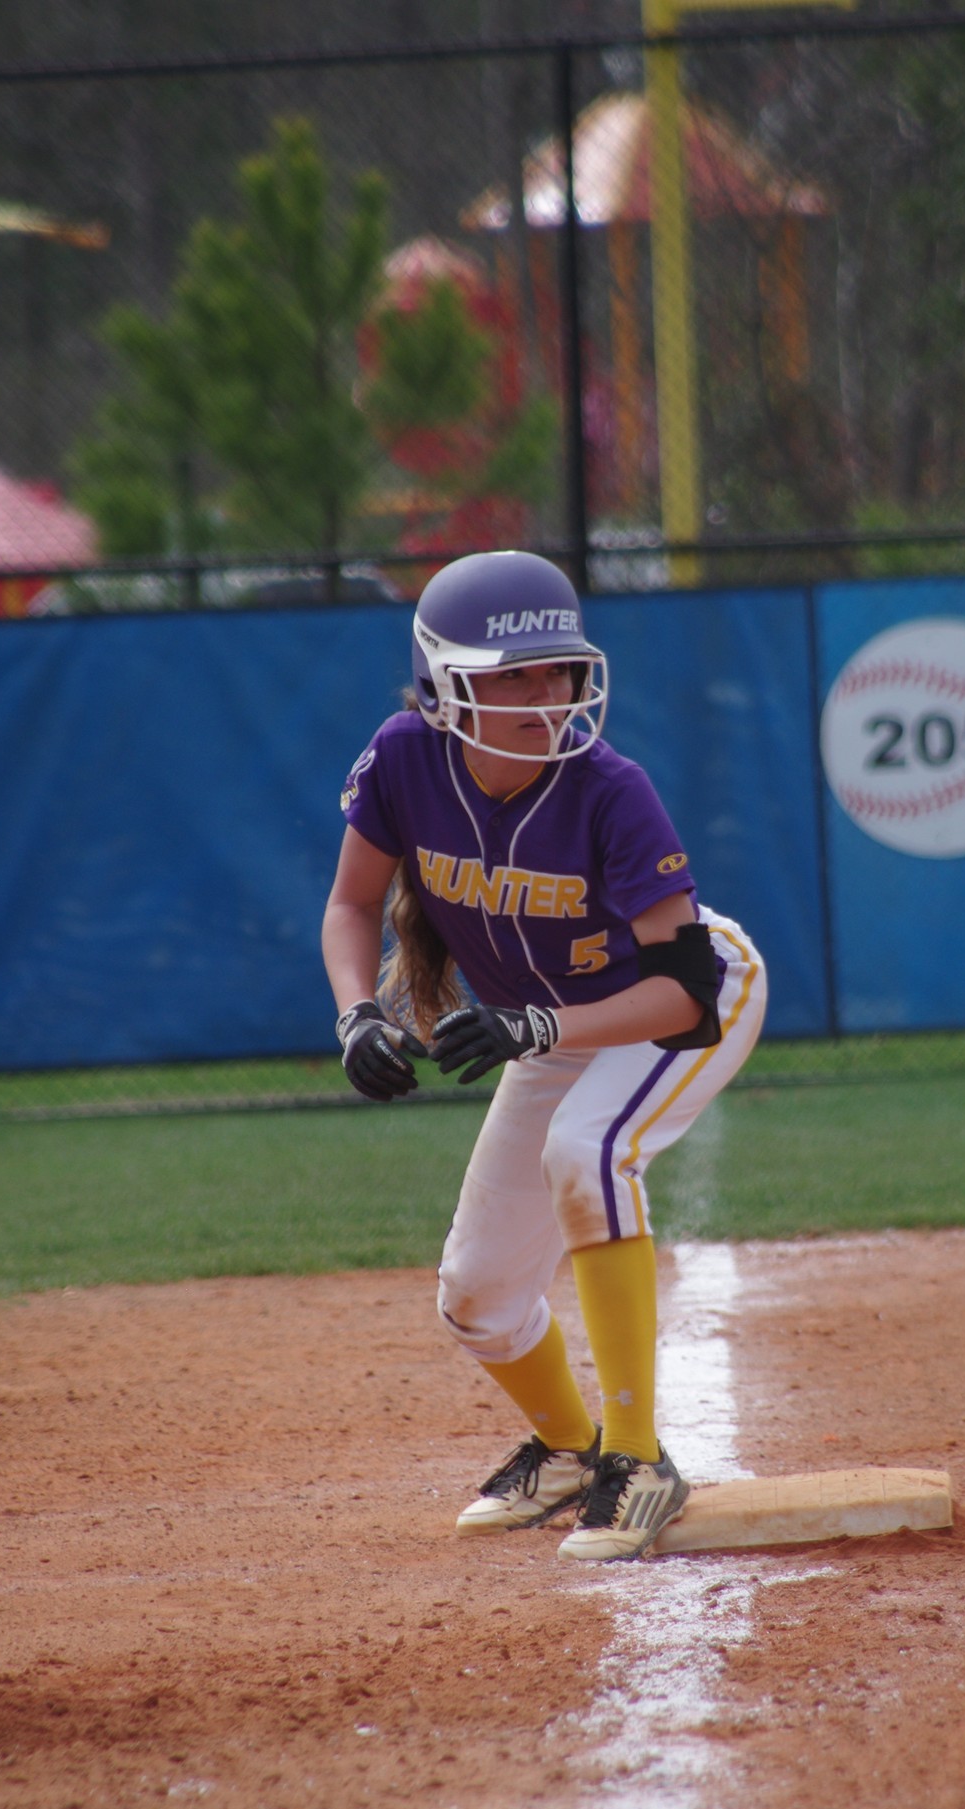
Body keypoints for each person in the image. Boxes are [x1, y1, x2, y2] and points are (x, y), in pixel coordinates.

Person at [322, 550, 766, 1562]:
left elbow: (686, 992)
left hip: (675, 1004)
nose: (545, 694)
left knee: (585, 1148)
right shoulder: (403, 759)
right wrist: (357, 1014)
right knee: (476, 1291)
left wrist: (535, 1029)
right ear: (446, 682)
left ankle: (638, 1459)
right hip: (555, 1024)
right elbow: (351, 905)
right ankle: (569, 1447)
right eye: (510, 674)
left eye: (557, 669)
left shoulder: (608, 787)